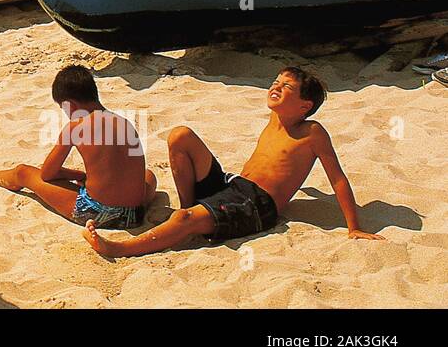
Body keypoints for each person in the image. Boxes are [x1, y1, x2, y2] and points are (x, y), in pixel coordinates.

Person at [83, 66, 384, 257]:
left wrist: (353, 226)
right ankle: (190, 209)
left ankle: (122, 248)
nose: (275, 87)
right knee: (180, 136)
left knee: (182, 222)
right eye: (276, 81)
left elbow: (338, 179)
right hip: (233, 185)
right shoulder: (276, 117)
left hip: (256, 205)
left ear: (305, 105)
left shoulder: (312, 133)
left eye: (286, 87)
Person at [0, 65, 156, 229]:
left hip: (99, 214)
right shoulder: (124, 122)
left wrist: (77, 175)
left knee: (23, 172)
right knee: (148, 175)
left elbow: (47, 174)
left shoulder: (76, 127)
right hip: (135, 213)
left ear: (70, 104)